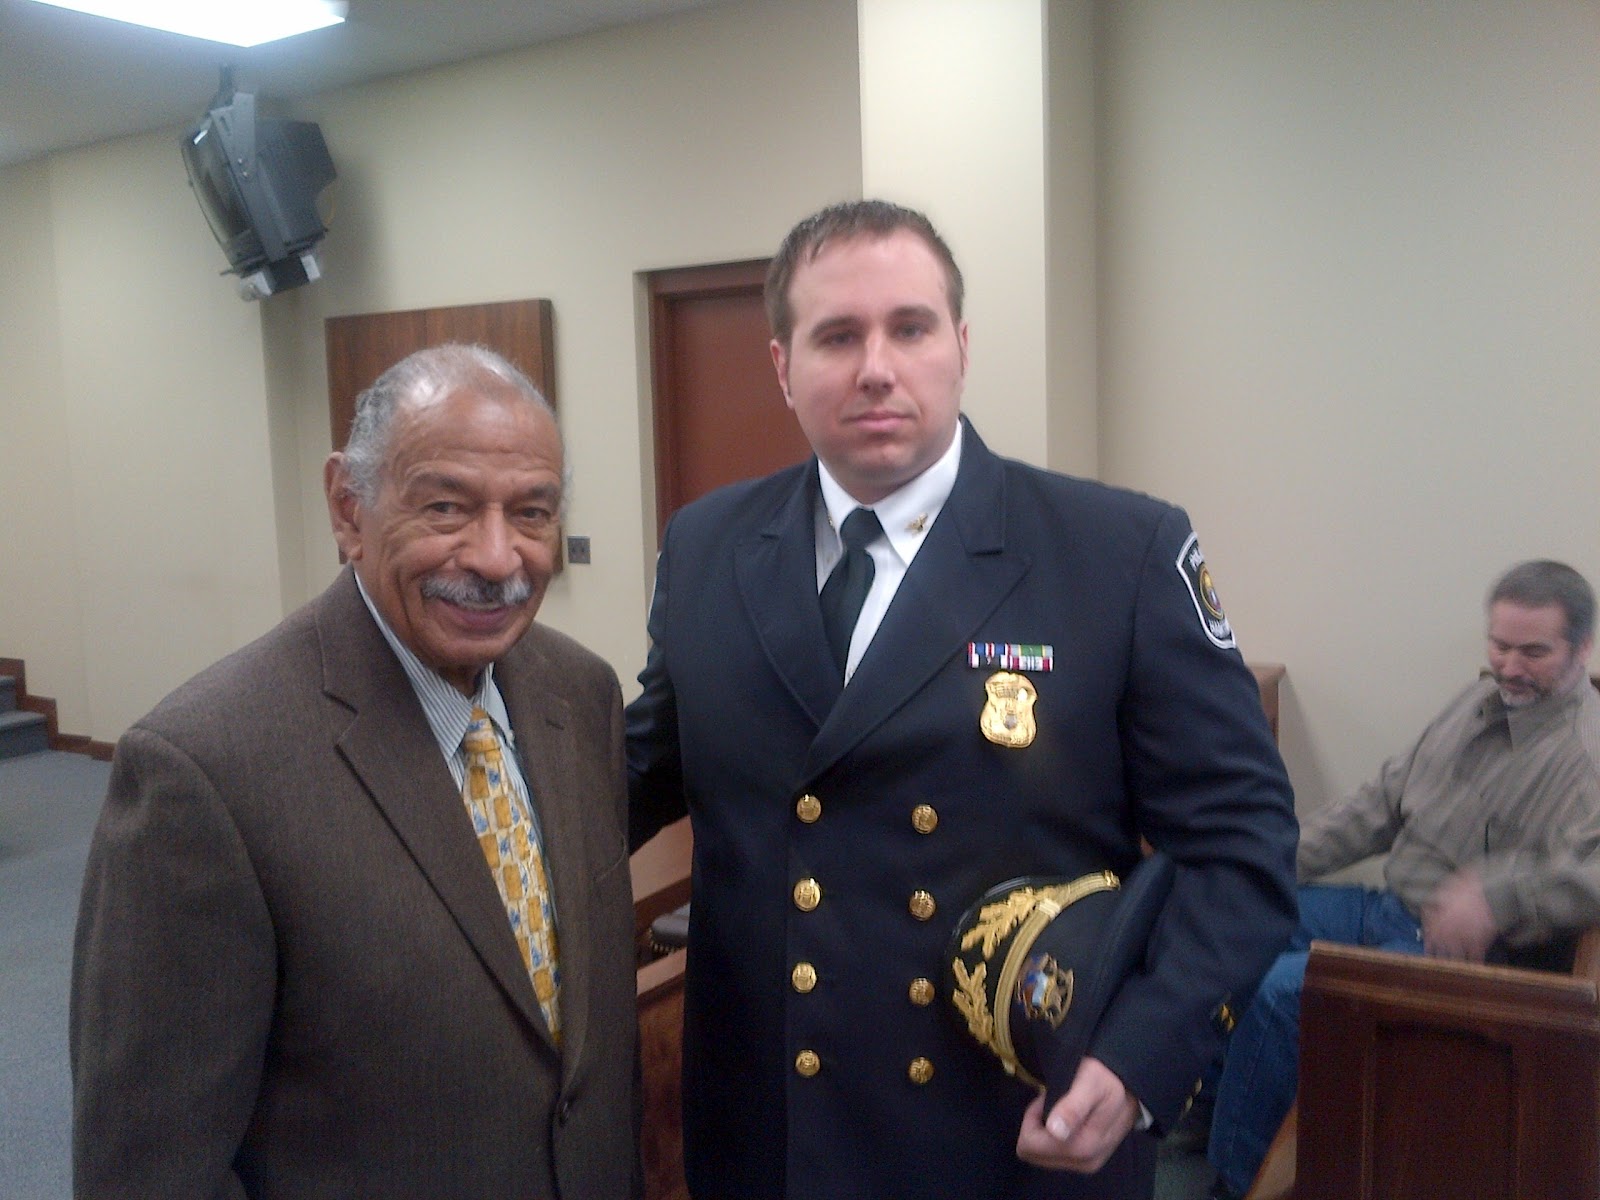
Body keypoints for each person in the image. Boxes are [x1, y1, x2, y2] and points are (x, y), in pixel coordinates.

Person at [626, 198, 1299, 1199]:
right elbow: (645, 768)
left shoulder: (1113, 552)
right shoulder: (709, 545)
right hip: (770, 1136)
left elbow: (1240, 848)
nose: (876, 368)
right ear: (782, 367)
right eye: (837, 336)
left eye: (909, 327)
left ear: (960, 345)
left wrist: (1138, 1060)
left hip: (1007, 1132)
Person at [71, 344, 639, 1198]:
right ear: (348, 507)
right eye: (446, 507)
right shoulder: (205, 773)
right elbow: (148, 1173)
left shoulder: (582, 693)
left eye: (531, 512)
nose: (496, 557)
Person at [1206, 559, 1600, 1200]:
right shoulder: (1475, 702)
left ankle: (1236, 1183)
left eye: (1534, 651)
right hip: (1391, 909)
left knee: (1284, 994)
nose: (1508, 666)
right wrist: (1272, 860)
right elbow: (1380, 803)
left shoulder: (1587, 752)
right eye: (1499, 645)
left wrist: (1499, 896)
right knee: (1238, 915)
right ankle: (1217, 1110)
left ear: (1581, 648)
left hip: (1470, 961)